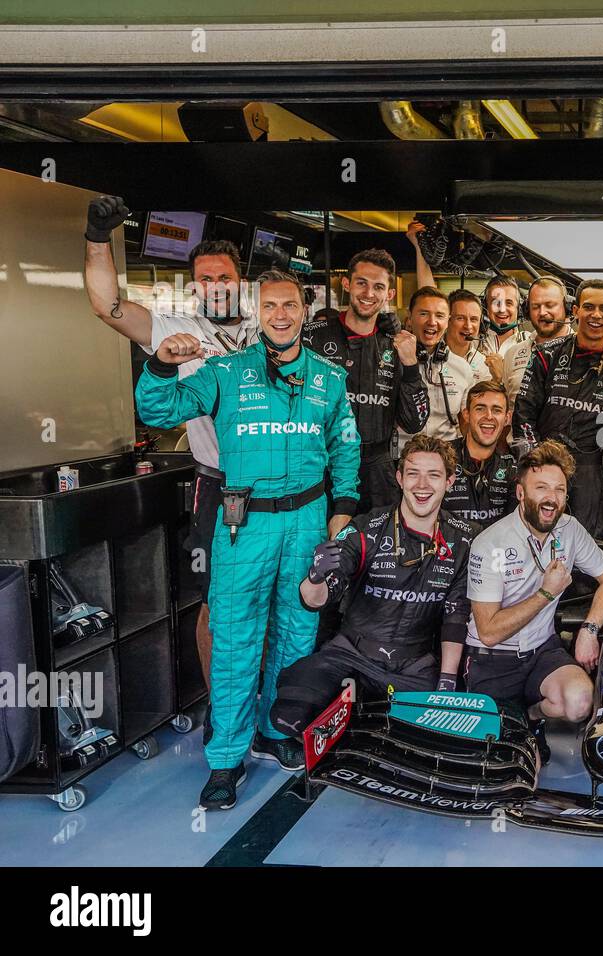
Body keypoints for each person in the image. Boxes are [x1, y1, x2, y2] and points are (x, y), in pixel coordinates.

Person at [135, 269, 360, 810]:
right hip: (243, 523)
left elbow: (345, 449)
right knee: (236, 639)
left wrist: (341, 515)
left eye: (289, 305)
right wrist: (163, 364)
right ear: (257, 313)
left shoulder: (329, 378)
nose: (280, 315)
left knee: (296, 634)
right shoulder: (225, 371)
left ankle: (275, 728)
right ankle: (225, 760)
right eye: (270, 306)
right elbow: (158, 409)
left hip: (307, 520)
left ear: (304, 311)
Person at [83, 197, 259, 693]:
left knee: (277, 598)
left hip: (279, 484)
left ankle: (271, 707)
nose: (215, 286)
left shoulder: (269, 328)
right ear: (194, 285)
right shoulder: (174, 328)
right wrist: (98, 238)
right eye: (204, 278)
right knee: (217, 602)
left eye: (223, 277)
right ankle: (222, 711)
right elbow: (107, 306)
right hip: (220, 486)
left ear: (239, 281)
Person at [272, 434, 476, 738]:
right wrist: (315, 577)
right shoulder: (366, 527)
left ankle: (371, 714)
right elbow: (315, 600)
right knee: (288, 716)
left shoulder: (464, 539)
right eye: (413, 473)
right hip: (351, 655)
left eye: (433, 475)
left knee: (442, 738)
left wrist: (446, 683)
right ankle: (361, 710)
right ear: (399, 478)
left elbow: (455, 617)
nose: (422, 485)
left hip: (415, 666)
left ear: (449, 482)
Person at [466, 440, 603, 760]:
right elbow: (489, 632)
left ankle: (532, 718)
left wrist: (590, 630)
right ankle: (515, 725)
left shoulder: (569, 528)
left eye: (559, 489)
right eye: (541, 487)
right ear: (521, 493)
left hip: (542, 650)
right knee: (496, 755)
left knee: (580, 701)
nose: (551, 498)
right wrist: (546, 593)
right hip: (492, 658)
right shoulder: (490, 543)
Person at [513, 279, 603, 537]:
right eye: (588, 307)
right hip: (545, 465)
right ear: (575, 311)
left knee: (586, 552)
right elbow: (523, 412)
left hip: (592, 473)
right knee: (535, 541)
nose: (596, 315)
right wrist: (534, 465)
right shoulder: (546, 354)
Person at [302, 249, 428, 511]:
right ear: (347, 284)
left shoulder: (395, 344)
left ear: (389, 294)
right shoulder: (313, 338)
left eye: (378, 287)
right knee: (321, 550)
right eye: (361, 283)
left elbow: (415, 422)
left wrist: (411, 365)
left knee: (379, 551)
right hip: (321, 465)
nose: (369, 293)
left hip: (377, 471)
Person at [412, 288, 494, 443]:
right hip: (405, 452)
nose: (468, 326)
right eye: (460, 318)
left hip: (448, 452)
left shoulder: (470, 366)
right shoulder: (403, 358)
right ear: (448, 321)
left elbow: (468, 420)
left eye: (474, 319)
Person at [443, 380, 517, 526]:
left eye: (497, 410)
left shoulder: (513, 467)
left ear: (507, 418)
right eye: (480, 408)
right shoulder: (441, 458)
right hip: (448, 547)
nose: (489, 416)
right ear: (466, 414)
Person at [504, 276, 571, 400]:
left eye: (550, 305)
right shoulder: (512, 354)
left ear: (566, 307)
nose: (542, 312)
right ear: (527, 310)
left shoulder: (582, 350)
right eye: (535, 307)